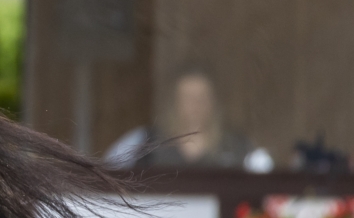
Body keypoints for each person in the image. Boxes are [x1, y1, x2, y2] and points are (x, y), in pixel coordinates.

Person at [105, 68, 253, 169]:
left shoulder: (237, 146)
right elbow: (107, 176)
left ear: (214, 102)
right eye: (188, 97)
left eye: (203, 96)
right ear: (174, 102)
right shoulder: (144, 141)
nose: (196, 104)